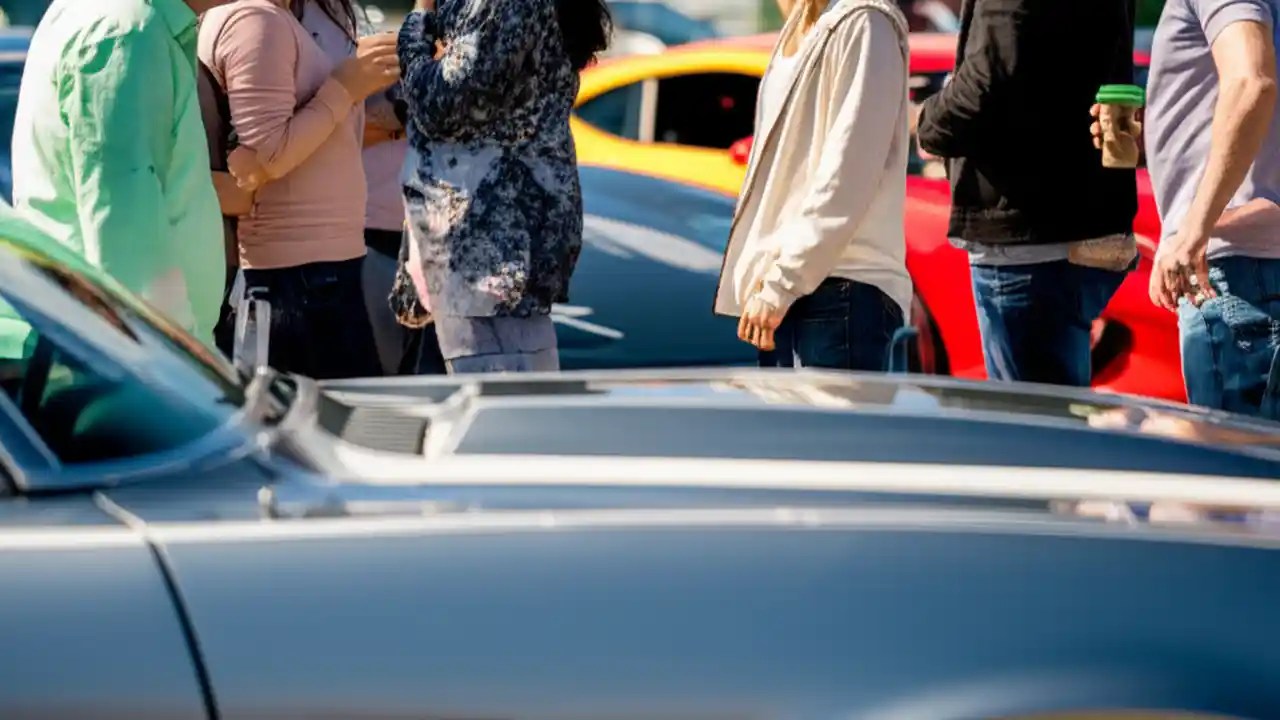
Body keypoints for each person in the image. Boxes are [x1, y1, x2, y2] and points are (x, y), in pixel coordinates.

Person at [916, 0, 1139, 387]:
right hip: (1079, 220)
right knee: (1057, 424)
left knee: (1037, 433)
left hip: (1026, 236)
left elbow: (985, 85)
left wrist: (927, 123)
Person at [394, 0, 610, 374]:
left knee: (497, 415)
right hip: (502, 241)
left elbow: (441, 104)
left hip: (490, 247)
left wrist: (419, 19)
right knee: (511, 408)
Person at [11, 0, 233, 343]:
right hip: (134, 361)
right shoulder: (127, 31)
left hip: (103, 349)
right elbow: (127, 252)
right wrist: (181, 371)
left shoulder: (121, 21)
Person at [199, 0, 398, 379]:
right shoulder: (255, 19)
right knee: (323, 430)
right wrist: (345, 86)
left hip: (314, 274)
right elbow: (266, 154)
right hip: (293, 281)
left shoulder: (284, 16)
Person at [715, 0, 913, 371]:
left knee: (837, 432)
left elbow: (846, 176)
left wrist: (780, 283)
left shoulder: (865, 22)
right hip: (792, 293)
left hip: (841, 292)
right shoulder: (807, 24)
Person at [1120, 0, 1280, 419]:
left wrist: (1193, 231)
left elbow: (1252, 84)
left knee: (1238, 474)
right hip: (1252, 267)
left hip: (1239, 273)